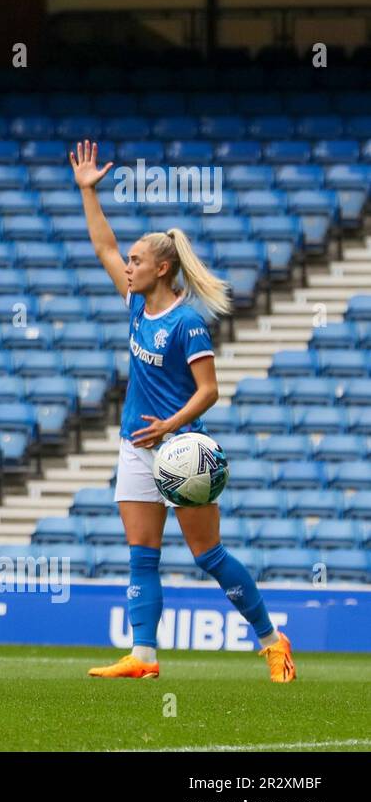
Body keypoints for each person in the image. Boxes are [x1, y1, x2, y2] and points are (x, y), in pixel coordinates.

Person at [69, 139, 295, 683]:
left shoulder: (186, 321)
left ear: (162, 267)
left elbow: (209, 390)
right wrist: (88, 194)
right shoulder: (134, 303)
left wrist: (170, 426)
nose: (127, 267)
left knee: (208, 555)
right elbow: (103, 247)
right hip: (134, 445)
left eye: (137, 261)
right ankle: (144, 658)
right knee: (141, 555)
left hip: (182, 452)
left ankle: (272, 640)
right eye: (129, 261)